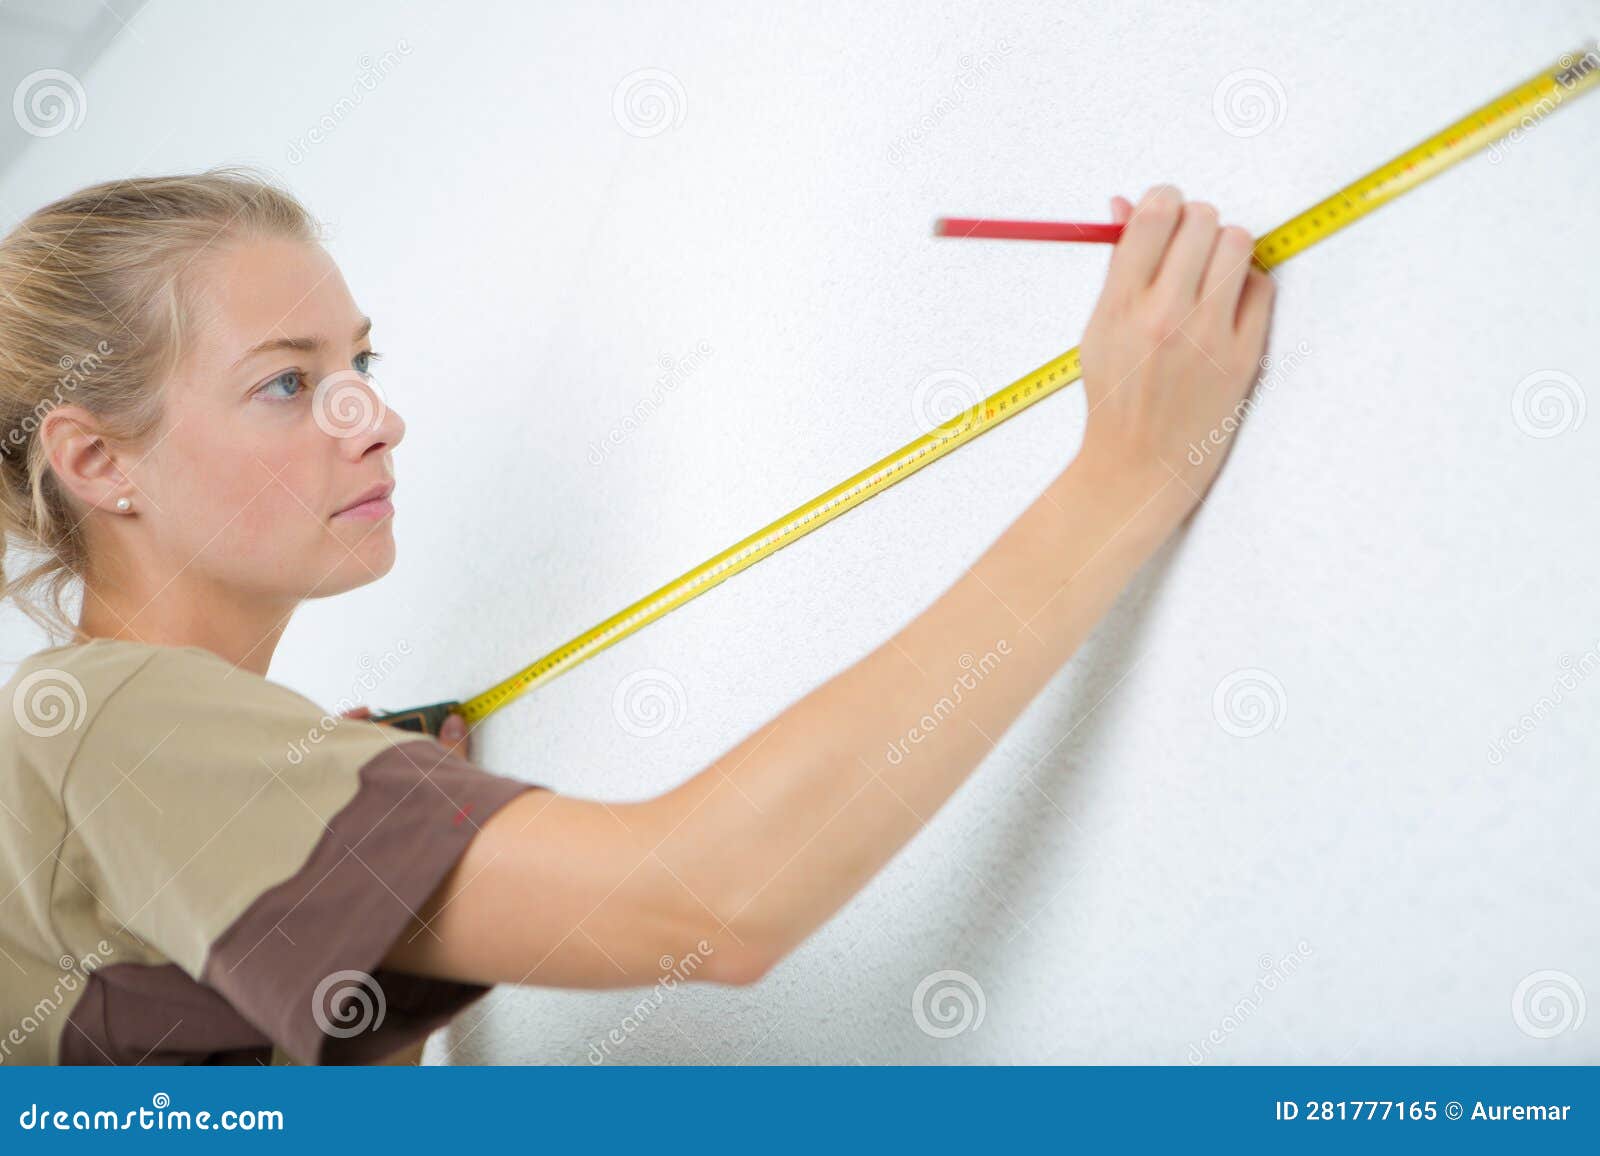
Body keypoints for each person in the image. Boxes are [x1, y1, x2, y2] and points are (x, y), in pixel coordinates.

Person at [0, 169, 1273, 1065]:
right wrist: (1126, 475)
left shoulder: (92, 757)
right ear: (99, 461)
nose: (371, 417)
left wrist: (377, 900)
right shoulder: (115, 721)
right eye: (287, 381)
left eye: (360, 365)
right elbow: (706, 906)